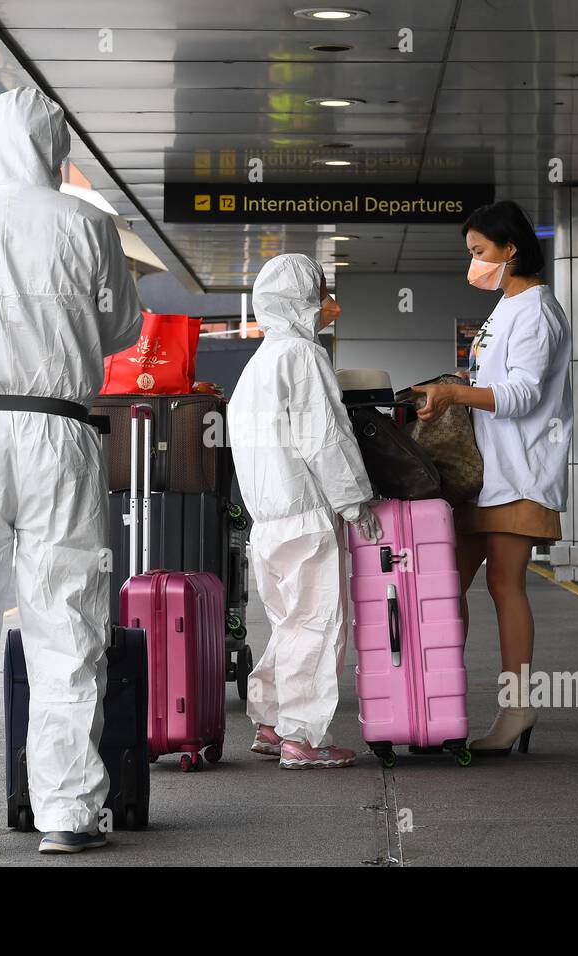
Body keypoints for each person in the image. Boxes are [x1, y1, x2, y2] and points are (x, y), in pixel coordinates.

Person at [0, 88, 142, 856]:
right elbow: (119, 328)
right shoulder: (88, 222)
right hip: (59, 427)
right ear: (56, 149)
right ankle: (69, 812)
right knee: (66, 622)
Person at [410, 200, 572, 756]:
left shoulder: (537, 312)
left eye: (480, 252)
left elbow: (524, 394)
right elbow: (493, 380)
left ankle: (518, 707)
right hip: (483, 473)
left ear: (511, 250)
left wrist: (457, 391)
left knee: (505, 585)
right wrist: (453, 390)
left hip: (520, 471)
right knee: (444, 586)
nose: (474, 264)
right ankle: (437, 704)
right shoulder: (506, 307)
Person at [229, 253, 380, 770]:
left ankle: (270, 720)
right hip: (306, 513)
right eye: (320, 292)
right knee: (316, 625)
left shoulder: (257, 366)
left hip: (267, 522)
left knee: (289, 625)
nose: (327, 304)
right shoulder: (304, 356)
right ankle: (303, 739)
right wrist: (354, 500)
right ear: (304, 299)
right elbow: (326, 439)